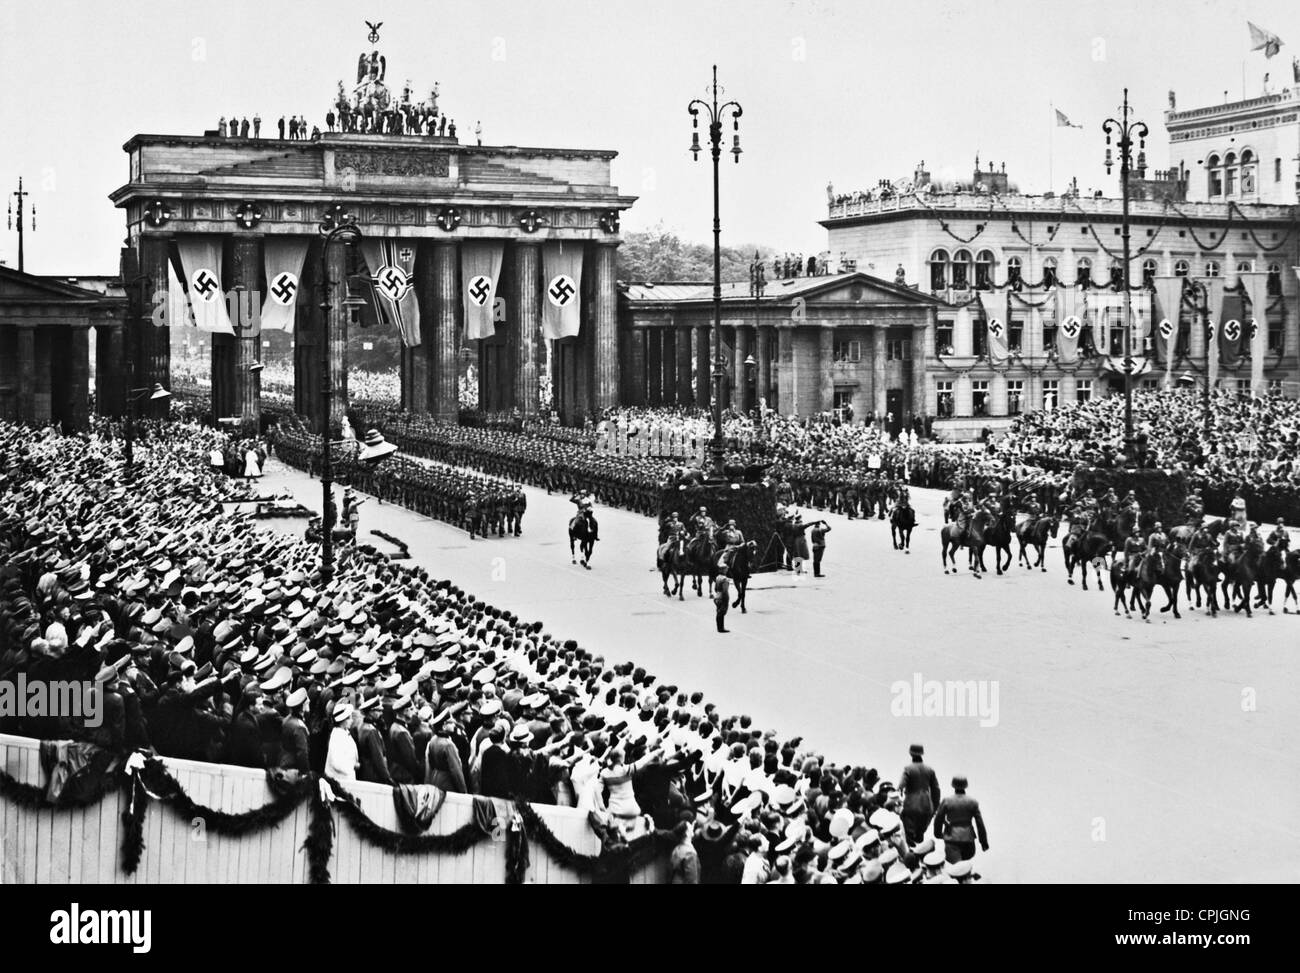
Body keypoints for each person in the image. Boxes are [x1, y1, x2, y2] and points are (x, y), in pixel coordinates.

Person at [933, 774, 988, 864]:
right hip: (968, 839)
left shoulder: (946, 801)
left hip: (951, 839)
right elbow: (980, 823)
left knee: (956, 868)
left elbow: (938, 819)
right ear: (966, 786)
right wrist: (983, 841)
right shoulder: (972, 802)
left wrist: (938, 834)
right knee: (964, 868)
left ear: (953, 785)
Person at [898, 743, 941, 845]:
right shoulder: (930, 770)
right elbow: (936, 790)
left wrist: (899, 793)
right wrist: (934, 807)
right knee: (920, 835)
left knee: (908, 833)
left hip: (911, 806)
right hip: (926, 806)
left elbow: (901, 785)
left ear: (911, 754)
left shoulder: (908, 769)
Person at [669, 820, 700, 884]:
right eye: (690, 827)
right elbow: (692, 880)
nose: (692, 827)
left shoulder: (677, 848)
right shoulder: (690, 853)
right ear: (686, 833)